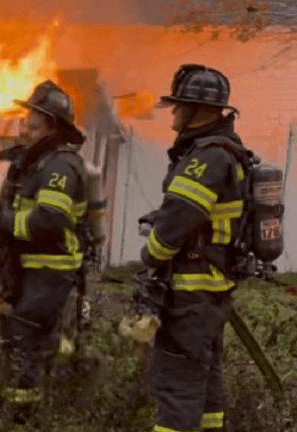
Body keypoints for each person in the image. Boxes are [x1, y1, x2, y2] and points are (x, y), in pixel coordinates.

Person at [138, 64, 247, 432]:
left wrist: (151, 254)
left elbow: (181, 216)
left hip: (191, 292)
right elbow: (197, 213)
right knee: (205, 382)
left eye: (179, 106)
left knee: (178, 386)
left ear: (196, 110)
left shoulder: (208, 155)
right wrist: (163, 215)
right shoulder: (223, 150)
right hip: (209, 290)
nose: (174, 113)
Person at [0, 80, 88, 424]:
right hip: (29, 265)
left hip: (51, 267)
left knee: (23, 335)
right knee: (32, 332)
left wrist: (3, 221)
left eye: (34, 120)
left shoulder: (60, 166)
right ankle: (67, 368)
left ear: (53, 125)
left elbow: (50, 221)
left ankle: (20, 415)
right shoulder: (36, 162)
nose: (27, 126)